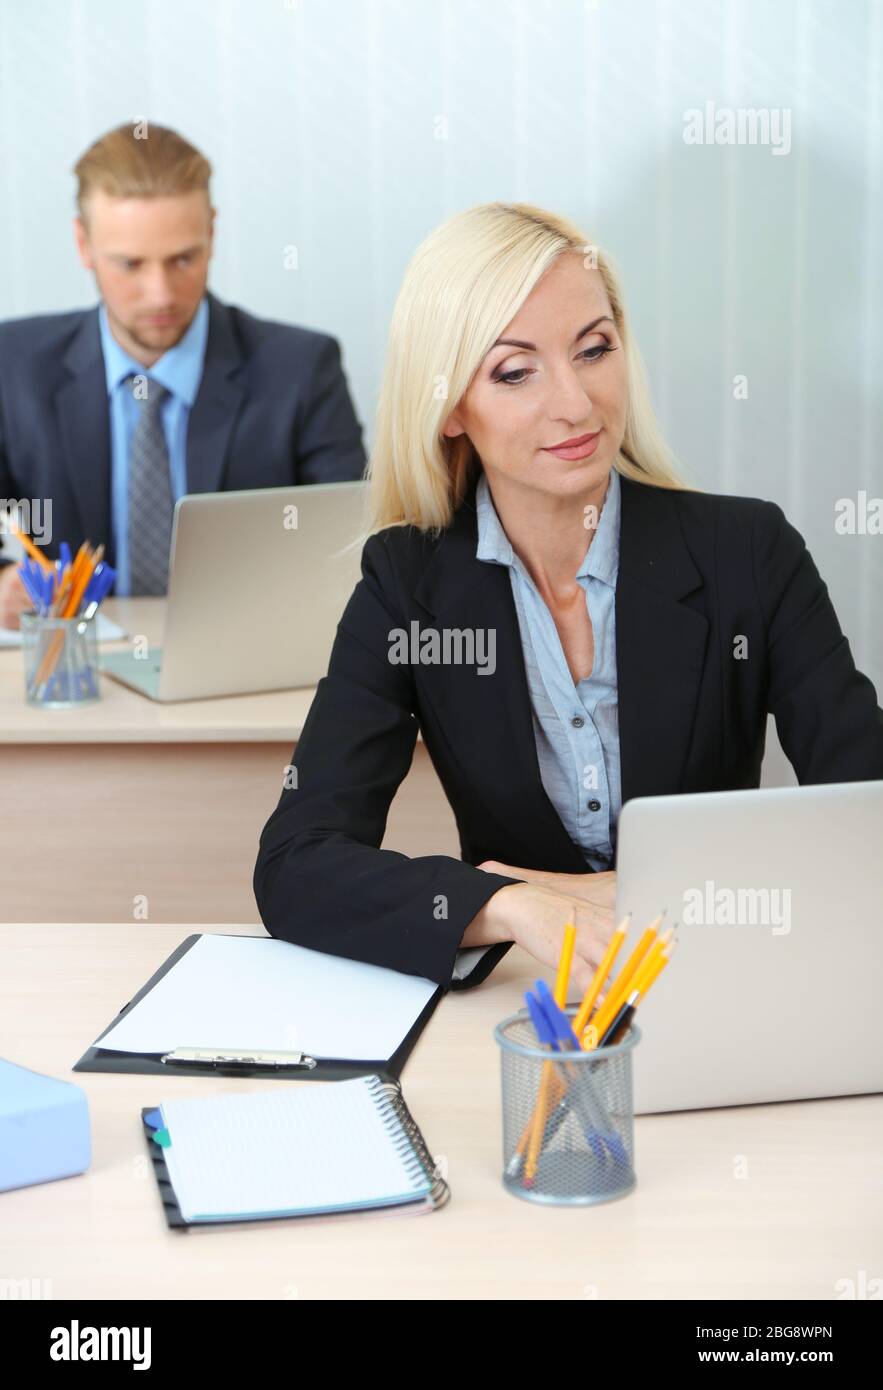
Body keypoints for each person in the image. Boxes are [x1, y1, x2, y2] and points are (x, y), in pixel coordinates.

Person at [253, 201, 883, 996]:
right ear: (448, 407)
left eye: (593, 350)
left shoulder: (747, 552)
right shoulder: (407, 585)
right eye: (515, 372)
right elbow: (295, 863)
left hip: (724, 978)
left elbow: (867, 819)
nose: (576, 405)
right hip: (534, 998)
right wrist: (512, 905)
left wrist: (633, 894)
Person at [0, 121, 365, 624]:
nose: (161, 295)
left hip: (245, 654)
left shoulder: (301, 369)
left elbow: (350, 547)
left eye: (183, 259)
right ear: (83, 245)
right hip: (76, 670)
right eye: (130, 264)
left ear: (212, 233)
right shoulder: (13, 366)